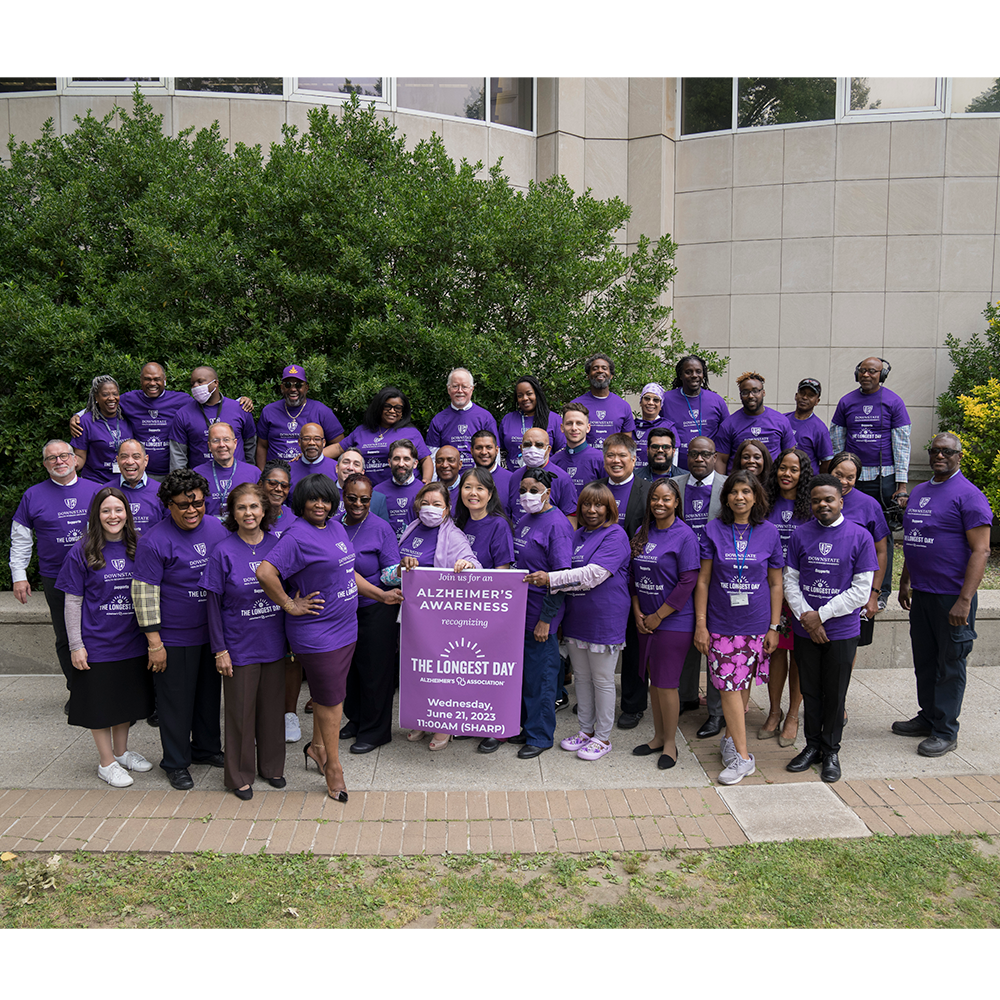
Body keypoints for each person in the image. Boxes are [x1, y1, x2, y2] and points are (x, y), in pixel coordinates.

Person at [256, 474, 394, 801]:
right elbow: (265, 572)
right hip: (318, 632)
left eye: (325, 499)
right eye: (313, 499)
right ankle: (334, 767)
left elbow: (348, 571)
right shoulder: (297, 535)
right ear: (301, 502)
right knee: (331, 700)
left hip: (345, 626)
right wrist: (289, 604)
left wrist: (380, 595)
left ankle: (317, 747)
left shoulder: (334, 527)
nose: (320, 505)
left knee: (327, 694)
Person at [894, 433, 992, 758]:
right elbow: (914, 540)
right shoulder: (920, 491)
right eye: (934, 450)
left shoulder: (969, 495)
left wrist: (964, 600)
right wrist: (906, 581)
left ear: (959, 456)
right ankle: (928, 716)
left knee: (950, 664)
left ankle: (946, 730)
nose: (939, 455)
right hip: (922, 593)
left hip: (952, 597)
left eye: (947, 451)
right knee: (925, 661)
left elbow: (981, 550)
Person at [131, 469, 229, 790]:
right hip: (174, 636)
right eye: (183, 505)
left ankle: (206, 748)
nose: (191, 511)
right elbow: (144, 594)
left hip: (211, 634)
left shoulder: (217, 528)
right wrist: (154, 643)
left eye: (197, 503)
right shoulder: (154, 541)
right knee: (175, 702)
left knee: (207, 697)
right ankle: (175, 762)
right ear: (167, 504)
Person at [55, 487, 154, 787]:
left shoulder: (140, 545)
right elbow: (72, 601)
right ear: (96, 515)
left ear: (128, 513)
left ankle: (121, 753)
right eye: (106, 511)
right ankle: (106, 762)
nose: (113, 516)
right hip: (97, 643)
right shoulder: (82, 550)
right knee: (100, 706)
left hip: (132, 641)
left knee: (124, 702)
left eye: (119, 510)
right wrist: (76, 645)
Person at [784, 475, 879, 782]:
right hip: (804, 629)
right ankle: (811, 746)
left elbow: (861, 590)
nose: (821, 505)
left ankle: (831, 750)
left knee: (835, 694)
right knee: (809, 691)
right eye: (815, 500)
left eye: (828, 499)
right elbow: (790, 581)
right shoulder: (800, 534)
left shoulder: (860, 536)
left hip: (840, 630)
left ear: (840, 501)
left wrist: (820, 616)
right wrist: (806, 617)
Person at [527, 483, 630, 761]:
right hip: (577, 617)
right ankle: (585, 731)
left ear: (610, 508)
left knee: (602, 680)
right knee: (582, 678)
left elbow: (593, 574)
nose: (592, 510)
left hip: (604, 618)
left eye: (599, 505)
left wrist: (550, 579)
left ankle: (603, 737)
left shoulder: (616, 535)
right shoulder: (578, 535)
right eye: (586, 504)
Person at [693, 470, 784, 785]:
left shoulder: (769, 532)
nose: (740, 497)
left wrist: (774, 626)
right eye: (734, 492)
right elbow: (703, 580)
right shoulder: (713, 530)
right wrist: (701, 625)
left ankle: (733, 741)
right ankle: (744, 759)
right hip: (721, 622)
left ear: (756, 496)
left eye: (746, 491)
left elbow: (775, 583)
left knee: (742, 686)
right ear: (726, 497)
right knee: (729, 686)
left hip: (756, 623)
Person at [201, 483, 287, 800]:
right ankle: (238, 775)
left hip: (275, 642)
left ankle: (272, 767)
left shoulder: (278, 546)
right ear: (232, 513)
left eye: (254, 507)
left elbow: (290, 591)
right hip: (238, 645)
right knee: (240, 713)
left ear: (264, 510)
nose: (248, 513)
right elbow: (212, 606)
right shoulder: (222, 551)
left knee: (272, 710)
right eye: (241, 507)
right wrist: (219, 649)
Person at [385, 482, 480, 751]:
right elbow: (395, 568)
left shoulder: (454, 536)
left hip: (441, 619)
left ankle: (444, 725)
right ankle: (423, 718)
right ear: (417, 506)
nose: (430, 509)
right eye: (426, 503)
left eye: (437, 504)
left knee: (441, 672)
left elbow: (475, 563)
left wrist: (467, 565)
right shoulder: (412, 528)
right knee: (418, 671)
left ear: (447, 509)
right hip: (412, 616)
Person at [10, 441, 101, 708]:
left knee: (102, 631)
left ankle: (105, 688)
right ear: (44, 464)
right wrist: (18, 574)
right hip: (56, 577)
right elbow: (21, 538)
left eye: (64, 456)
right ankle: (79, 691)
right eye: (52, 458)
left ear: (75, 459)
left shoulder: (97, 491)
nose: (59, 461)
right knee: (66, 636)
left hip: (96, 574)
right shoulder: (33, 495)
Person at [629, 479, 700, 769]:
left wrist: (659, 615)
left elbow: (688, 582)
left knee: (667, 683)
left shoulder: (685, 536)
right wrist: (637, 612)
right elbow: (632, 576)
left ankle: (671, 743)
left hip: (674, 621)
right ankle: (657, 736)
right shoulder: (641, 532)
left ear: (676, 502)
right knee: (653, 682)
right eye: (655, 499)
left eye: (666, 499)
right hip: (644, 618)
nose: (660, 504)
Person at [831, 357, 911, 608]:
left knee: (882, 536)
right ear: (857, 374)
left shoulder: (894, 402)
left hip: (883, 479)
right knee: (843, 529)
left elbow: (901, 445)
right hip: (851, 478)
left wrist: (901, 485)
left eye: (873, 371)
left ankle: (882, 591)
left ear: (882, 374)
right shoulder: (846, 402)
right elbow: (837, 440)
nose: (867, 375)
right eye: (863, 371)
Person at [337, 474, 404, 755]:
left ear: (371, 498)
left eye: (364, 499)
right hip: (342, 610)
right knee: (351, 670)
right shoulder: (333, 525)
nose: (358, 504)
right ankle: (357, 718)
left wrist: (400, 572)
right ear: (343, 495)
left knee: (376, 671)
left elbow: (390, 573)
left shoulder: (381, 528)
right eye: (352, 498)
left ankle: (376, 731)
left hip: (377, 607)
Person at [511, 469, 574, 758]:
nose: (527, 495)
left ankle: (540, 736)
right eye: (523, 489)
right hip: (519, 613)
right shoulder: (524, 519)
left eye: (534, 489)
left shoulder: (557, 525)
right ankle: (526, 727)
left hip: (541, 615)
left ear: (548, 492)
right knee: (525, 677)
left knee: (543, 679)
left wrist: (546, 620)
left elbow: (560, 578)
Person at [670, 436, 726, 735]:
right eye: (693, 454)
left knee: (714, 644)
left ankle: (717, 712)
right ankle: (686, 696)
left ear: (715, 457)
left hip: (717, 576)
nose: (699, 459)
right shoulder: (674, 484)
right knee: (684, 638)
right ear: (686, 457)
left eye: (705, 454)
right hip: (679, 574)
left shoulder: (728, 486)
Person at [597, 433, 652, 729]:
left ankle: (633, 703)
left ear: (634, 459)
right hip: (600, 581)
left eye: (621, 456)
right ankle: (598, 696)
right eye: (610, 456)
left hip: (635, 580)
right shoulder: (597, 490)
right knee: (599, 639)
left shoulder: (647, 490)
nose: (615, 461)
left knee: (633, 644)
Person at [761, 447, 814, 746]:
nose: (787, 474)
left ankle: (793, 714)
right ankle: (773, 711)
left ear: (802, 473)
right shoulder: (766, 502)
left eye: (794, 469)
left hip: (801, 591)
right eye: (783, 467)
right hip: (771, 590)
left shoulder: (810, 506)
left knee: (799, 655)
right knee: (776, 650)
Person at [83, 362, 191, 479]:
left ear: (164, 379)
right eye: (147, 379)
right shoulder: (130, 399)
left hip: (171, 473)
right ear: (141, 380)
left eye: (157, 379)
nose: (152, 383)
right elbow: (105, 404)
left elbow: (200, 411)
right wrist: (77, 417)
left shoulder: (182, 400)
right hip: (139, 473)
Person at [327, 385, 432, 484]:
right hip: (366, 492)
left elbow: (425, 459)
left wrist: (426, 481)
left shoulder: (410, 432)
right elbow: (338, 448)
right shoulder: (362, 431)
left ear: (402, 412)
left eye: (397, 408)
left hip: (401, 490)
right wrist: (312, 457)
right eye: (387, 406)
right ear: (378, 408)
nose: (392, 411)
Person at [168, 365, 257, 470]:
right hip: (199, 480)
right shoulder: (184, 414)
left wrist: (250, 473)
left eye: (200, 382)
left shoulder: (240, 409)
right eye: (192, 384)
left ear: (215, 383)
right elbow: (178, 455)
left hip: (237, 477)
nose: (196, 386)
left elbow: (250, 446)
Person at [255, 364, 344, 467]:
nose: (293, 389)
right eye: (288, 384)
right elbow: (262, 446)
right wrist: (262, 476)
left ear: (306, 387)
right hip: (276, 476)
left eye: (298, 385)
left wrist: (315, 457)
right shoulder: (269, 411)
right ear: (282, 388)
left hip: (310, 474)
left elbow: (340, 445)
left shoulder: (321, 411)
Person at [715, 372, 795, 474]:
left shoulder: (781, 421)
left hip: (771, 484)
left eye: (755, 391)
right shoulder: (729, 424)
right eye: (745, 392)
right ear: (740, 395)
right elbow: (721, 460)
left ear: (763, 392)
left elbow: (790, 455)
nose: (750, 396)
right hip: (740, 483)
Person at [661, 355, 730, 471]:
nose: (694, 375)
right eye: (688, 372)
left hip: (708, 469)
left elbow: (727, 435)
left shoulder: (716, 400)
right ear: (681, 375)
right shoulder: (666, 400)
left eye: (698, 372)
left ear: (703, 375)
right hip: (675, 469)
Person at [426, 368, 499, 472]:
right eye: (455, 386)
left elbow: (495, 453)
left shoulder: (485, 417)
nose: (460, 391)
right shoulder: (438, 420)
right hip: (449, 480)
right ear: (448, 389)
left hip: (479, 479)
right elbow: (432, 457)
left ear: (471, 389)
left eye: (464, 386)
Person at [507, 426, 578, 526]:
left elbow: (571, 520)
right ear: (521, 448)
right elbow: (512, 514)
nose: (532, 449)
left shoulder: (562, 478)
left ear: (548, 449)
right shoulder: (515, 477)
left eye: (539, 445)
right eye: (527, 444)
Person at [72, 376, 134, 484]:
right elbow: (80, 456)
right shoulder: (85, 422)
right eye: (105, 394)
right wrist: (69, 466)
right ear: (96, 397)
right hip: (96, 481)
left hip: (125, 482)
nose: (111, 398)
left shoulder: (127, 416)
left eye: (115, 394)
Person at [193, 423, 259, 519]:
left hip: (243, 531)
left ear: (235, 443)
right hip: (210, 530)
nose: (221, 445)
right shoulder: (197, 474)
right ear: (209, 446)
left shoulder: (254, 473)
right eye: (216, 441)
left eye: (226, 440)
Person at [455, 467, 515, 571]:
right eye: (467, 487)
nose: (473, 493)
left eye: (480, 488)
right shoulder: (459, 522)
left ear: (490, 494)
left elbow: (502, 572)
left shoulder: (499, 525)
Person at [569, 354, 635, 449]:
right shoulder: (576, 405)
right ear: (588, 375)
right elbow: (570, 439)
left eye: (604, 368)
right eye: (595, 368)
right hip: (586, 462)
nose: (600, 370)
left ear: (611, 375)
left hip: (613, 461)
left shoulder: (623, 406)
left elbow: (627, 444)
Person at [498, 375, 565, 468]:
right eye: (520, 395)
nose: (525, 398)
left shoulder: (554, 419)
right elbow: (501, 452)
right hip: (512, 477)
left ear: (537, 394)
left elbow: (561, 453)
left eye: (529, 393)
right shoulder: (508, 419)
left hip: (545, 478)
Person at [550, 403, 607, 498]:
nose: (574, 428)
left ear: (588, 428)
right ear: (562, 428)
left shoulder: (601, 459)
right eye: (569, 423)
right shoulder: (554, 461)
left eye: (579, 423)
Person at [374, 439, 425, 538]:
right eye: (397, 458)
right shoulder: (377, 492)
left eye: (406, 459)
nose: (401, 464)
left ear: (415, 464)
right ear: (389, 462)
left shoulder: (424, 491)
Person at [116, 439, 166, 532]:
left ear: (145, 460)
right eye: (124, 457)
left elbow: (169, 530)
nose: (130, 462)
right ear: (118, 461)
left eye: (136, 457)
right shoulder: (105, 492)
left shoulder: (162, 491)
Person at [785, 378, 833, 475]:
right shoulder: (782, 420)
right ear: (796, 396)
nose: (805, 397)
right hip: (783, 477)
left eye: (811, 395)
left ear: (817, 401)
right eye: (802, 393)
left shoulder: (820, 429)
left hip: (806, 482)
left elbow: (826, 462)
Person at [328, 449, 389, 523]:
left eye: (356, 464)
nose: (350, 468)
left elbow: (381, 529)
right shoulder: (325, 494)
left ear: (362, 472)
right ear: (337, 468)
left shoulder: (377, 499)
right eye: (346, 462)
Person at [633, 383, 676, 469]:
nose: (650, 403)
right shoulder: (631, 426)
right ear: (640, 402)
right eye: (647, 398)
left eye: (656, 400)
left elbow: (674, 458)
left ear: (661, 405)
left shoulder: (669, 427)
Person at [469, 428, 514, 503]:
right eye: (479, 448)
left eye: (489, 447)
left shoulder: (511, 479)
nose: (484, 452)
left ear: (496, 450)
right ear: (471, 451)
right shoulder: (464, 479)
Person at [259, 461, 297, 539]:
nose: (279, 489)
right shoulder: (252, 517)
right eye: (272, 483)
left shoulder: (295, 517)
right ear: (261, 485)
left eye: (284, 486)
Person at [434, 445, 464, 514]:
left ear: (459, 464)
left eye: (450, 460)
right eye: (439, 461)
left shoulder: (468, 488)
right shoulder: (430, 490)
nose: (444, 465)